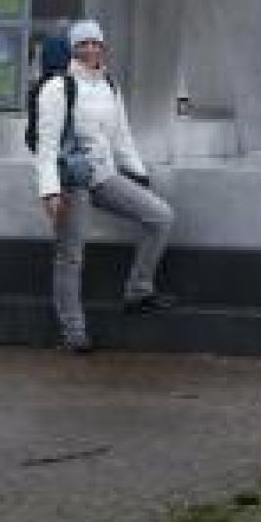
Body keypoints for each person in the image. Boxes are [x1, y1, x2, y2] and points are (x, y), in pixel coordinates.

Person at [36, 18, 174, 354]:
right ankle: (74, 333)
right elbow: (47, 145)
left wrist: (139, 174)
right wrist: (50, 192)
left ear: (102, 46)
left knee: (161, 216)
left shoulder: (110, 84)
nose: (89, 49)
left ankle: (138, 290)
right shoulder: (59, 87)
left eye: (95, 43)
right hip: (71, 179)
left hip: (104, 175)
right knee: (71, 256)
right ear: (73, 49)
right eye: (82, 44)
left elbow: (122, 136)